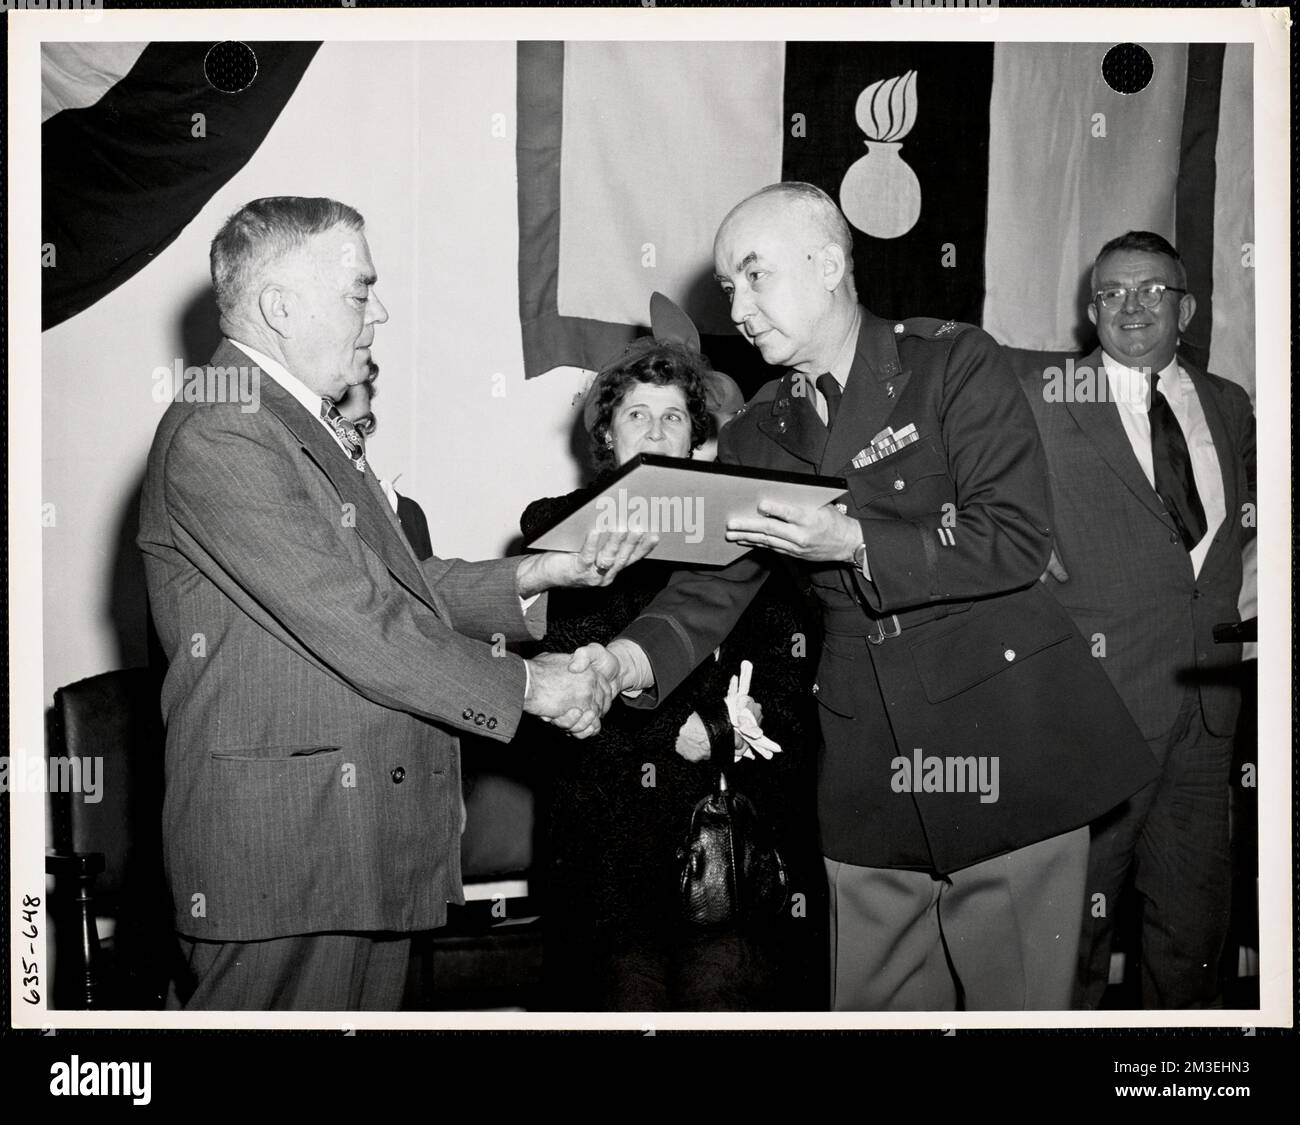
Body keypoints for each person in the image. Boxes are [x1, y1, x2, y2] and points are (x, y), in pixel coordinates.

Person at [570, 182, 1160, 1010]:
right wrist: (621, 660)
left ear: (829, 264)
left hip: (1008, 759)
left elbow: (1016, 537)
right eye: (729, 288)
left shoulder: (952, 362)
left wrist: (854, 540)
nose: (736, 306)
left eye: (753, 276)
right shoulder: (756, 431)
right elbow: (712, 585)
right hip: (867, 776)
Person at [137, 196, 655, 1010]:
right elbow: (358, 622)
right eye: (359, 289)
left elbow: (396, 587)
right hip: (289, 863)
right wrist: (535, 687)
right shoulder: (223, 431)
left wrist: (542, 572)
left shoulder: (285, 423)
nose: (378, 312)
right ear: (280, 306)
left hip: (348, 852)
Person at [521, 308, 825, 1011]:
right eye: (637, 415)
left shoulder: (745, 524)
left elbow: (790, 669)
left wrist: (731, 729)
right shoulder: (558, 529)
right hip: (610, 841)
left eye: (672, 417)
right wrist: (682, 727)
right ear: (606, 435)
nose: (656, 431)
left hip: (728, 845)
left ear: (697, 437)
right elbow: (571, 672)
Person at [1017, 231, 1256, 1008]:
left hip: (1209, 715)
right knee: (1068, 943)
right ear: (1091, 312)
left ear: (1184, 307)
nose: (1131, 306)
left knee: (1193, 937)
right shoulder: (1044, 398)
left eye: (1151, 290)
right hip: (1096, 712)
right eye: (1112, 293)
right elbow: (984, 510)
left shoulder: (1227, 402)